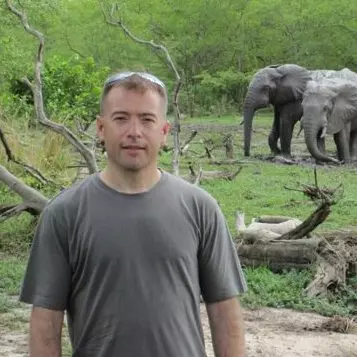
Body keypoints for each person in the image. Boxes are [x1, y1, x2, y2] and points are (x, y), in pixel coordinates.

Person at [19, 71, 248, 357]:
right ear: (101, 128)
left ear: (164, 132)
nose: (134, 131)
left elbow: (225, 312)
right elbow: (45, 322)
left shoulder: (201, 208)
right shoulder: (64, 213)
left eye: (147, 119)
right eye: (121, 118)